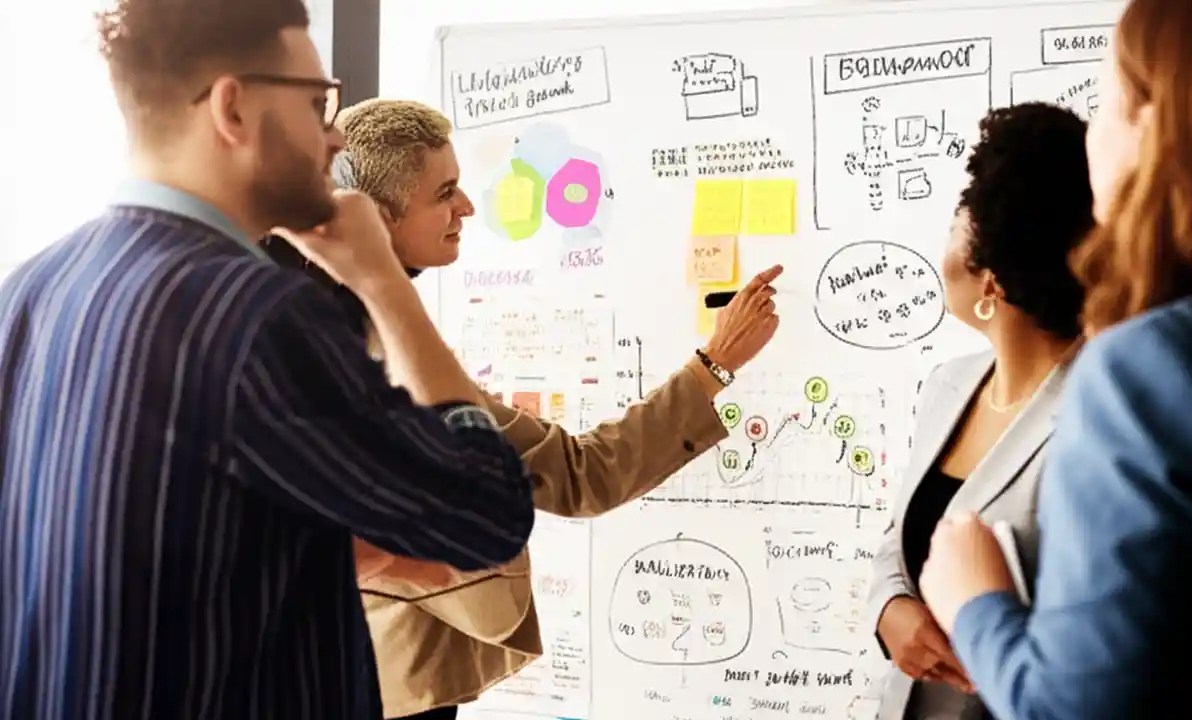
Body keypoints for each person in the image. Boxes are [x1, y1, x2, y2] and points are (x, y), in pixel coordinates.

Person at [0, 3, 537, 719]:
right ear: (233, 108)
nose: (336, 132)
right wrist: (381, 283)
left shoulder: (32, 288)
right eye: (319, 103)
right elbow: (486, 516)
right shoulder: (255, 315)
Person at [262, 98, 783, 720]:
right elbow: (582, 475)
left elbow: (580, 471)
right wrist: (713, 365)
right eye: (445, 192)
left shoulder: (314, 329)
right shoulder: (377, 362)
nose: (468, 208)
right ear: (376, 218)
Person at [920, 1, 1192, 718]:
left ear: (1152, 125)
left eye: (1105, 98)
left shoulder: (1151, 369)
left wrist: (974, 602)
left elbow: (1070, 705)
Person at [865, 102, 1094, 720]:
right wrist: (889, 606)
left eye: (953, 224)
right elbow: (901, 535)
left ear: (990, 282)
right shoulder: (948, 386)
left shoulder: (1098, 422)